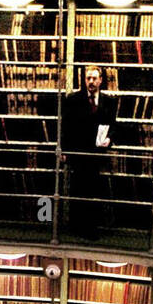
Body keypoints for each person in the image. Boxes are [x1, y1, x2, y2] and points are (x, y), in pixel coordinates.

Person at [60, 65, 117, 237]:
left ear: (100, 80)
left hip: (97, 154)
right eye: (88, 78)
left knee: (95, 191)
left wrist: (110, 140)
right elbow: (66, 126)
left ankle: (92, 228)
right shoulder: (73, 99)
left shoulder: (109, 101)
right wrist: (64, 150)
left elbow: (113, 126)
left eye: (94, 78)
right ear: (84, 80)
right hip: (79, 153)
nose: (90, 82)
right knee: (77, 190)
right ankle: (77, 228)